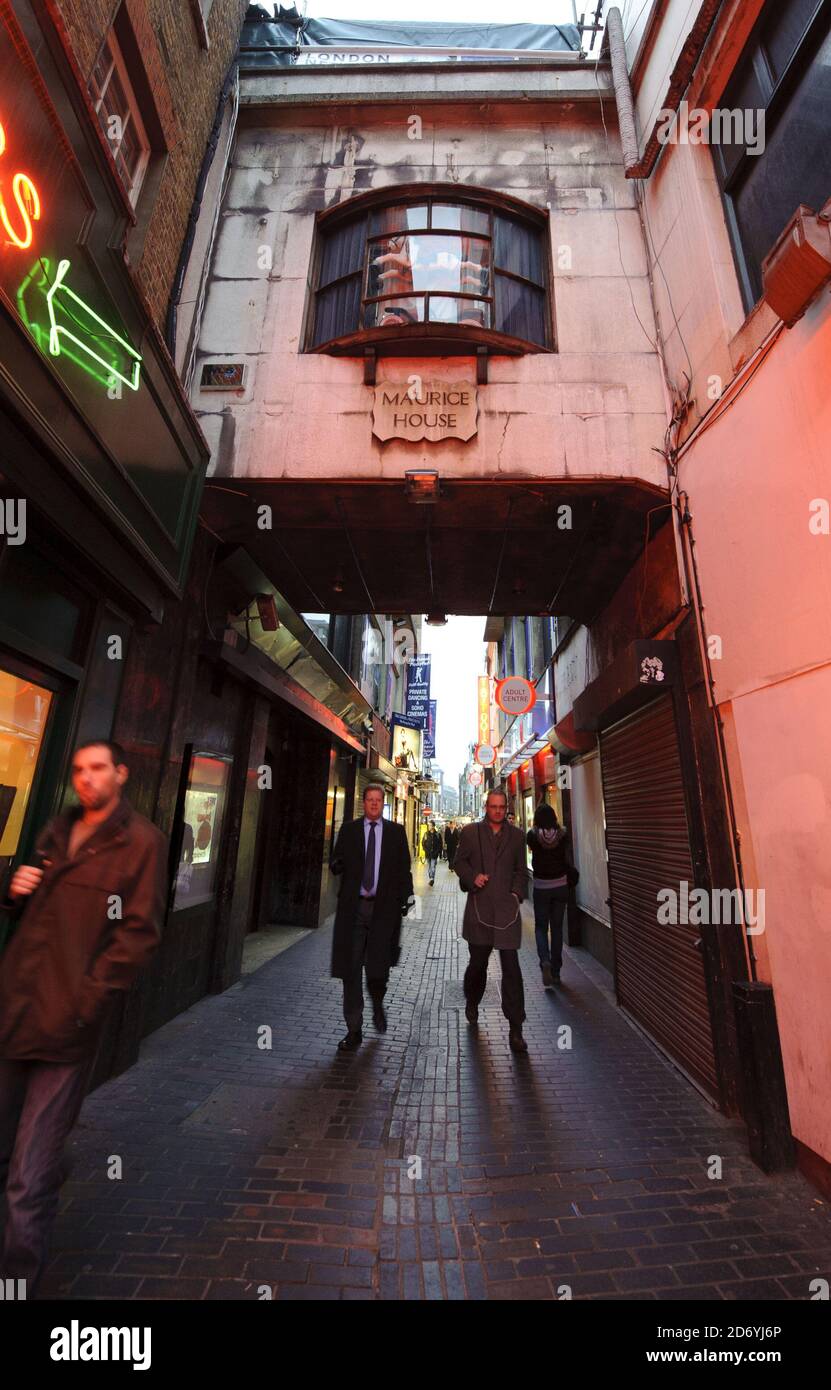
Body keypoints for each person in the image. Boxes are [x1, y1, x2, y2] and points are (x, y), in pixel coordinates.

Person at [0, 739, 167, 1298]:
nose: (85, 778)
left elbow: (138, 933)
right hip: (15, 1009)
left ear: (120, 773)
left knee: (27, 1176)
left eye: (98, 769)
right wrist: (14, 888)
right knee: (13, 1151)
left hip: (67, 1024)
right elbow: (34, 904)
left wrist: (87, 999)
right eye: (78, 770)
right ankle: (51, 1159)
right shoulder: (59, 826)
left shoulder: (139, 842)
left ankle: (15, 1283)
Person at [330, 784, 414, 1052]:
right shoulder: (350, 830)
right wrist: (337, 865)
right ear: (363, 802)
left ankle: (377, 1003)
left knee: (378, 967)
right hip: (354, 910)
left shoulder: (396, 833)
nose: (375, 804)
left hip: (383, 911)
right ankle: (353, 1028)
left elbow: (404, 869)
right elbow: (336, 860)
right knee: (351, 969)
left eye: (379, 800)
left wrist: (408, 898)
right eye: (370, 800)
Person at [454, 789, 529, 1054]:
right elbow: (458, 862)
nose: (497, 811)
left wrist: (517, 893)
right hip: (480, 909)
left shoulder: (518, 837)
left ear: (506, 808)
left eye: (501, 807)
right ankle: (472, 1000)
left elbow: (522, 870)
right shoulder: (470, 833)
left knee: (512, 969)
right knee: (478, 964)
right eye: (493, 807)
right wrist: (472, 877)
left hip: (507, 913)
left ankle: (516, 1028)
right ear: (486, 807)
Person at [527, 804, 571, 988]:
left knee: (541, 927)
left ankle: (544, 960)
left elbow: (531, 850)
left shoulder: (532, 836)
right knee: (558, 928)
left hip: (541, 887)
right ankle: (556, 971)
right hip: (560, 885)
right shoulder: (563, 835)